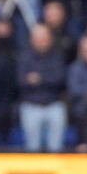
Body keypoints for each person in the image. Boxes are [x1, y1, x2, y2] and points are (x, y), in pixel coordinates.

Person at [15, 23, 68, 151]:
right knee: (32, 149)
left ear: (50, 38)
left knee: (56, 149)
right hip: (31, 105)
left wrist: (40, 78)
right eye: (38, 37)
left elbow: (59, 79)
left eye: (44, 37)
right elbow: (21, 81)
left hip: (54, 104)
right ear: (31, 39)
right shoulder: (24, 57)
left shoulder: (57, 56)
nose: (41, 41)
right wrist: (46, 77)